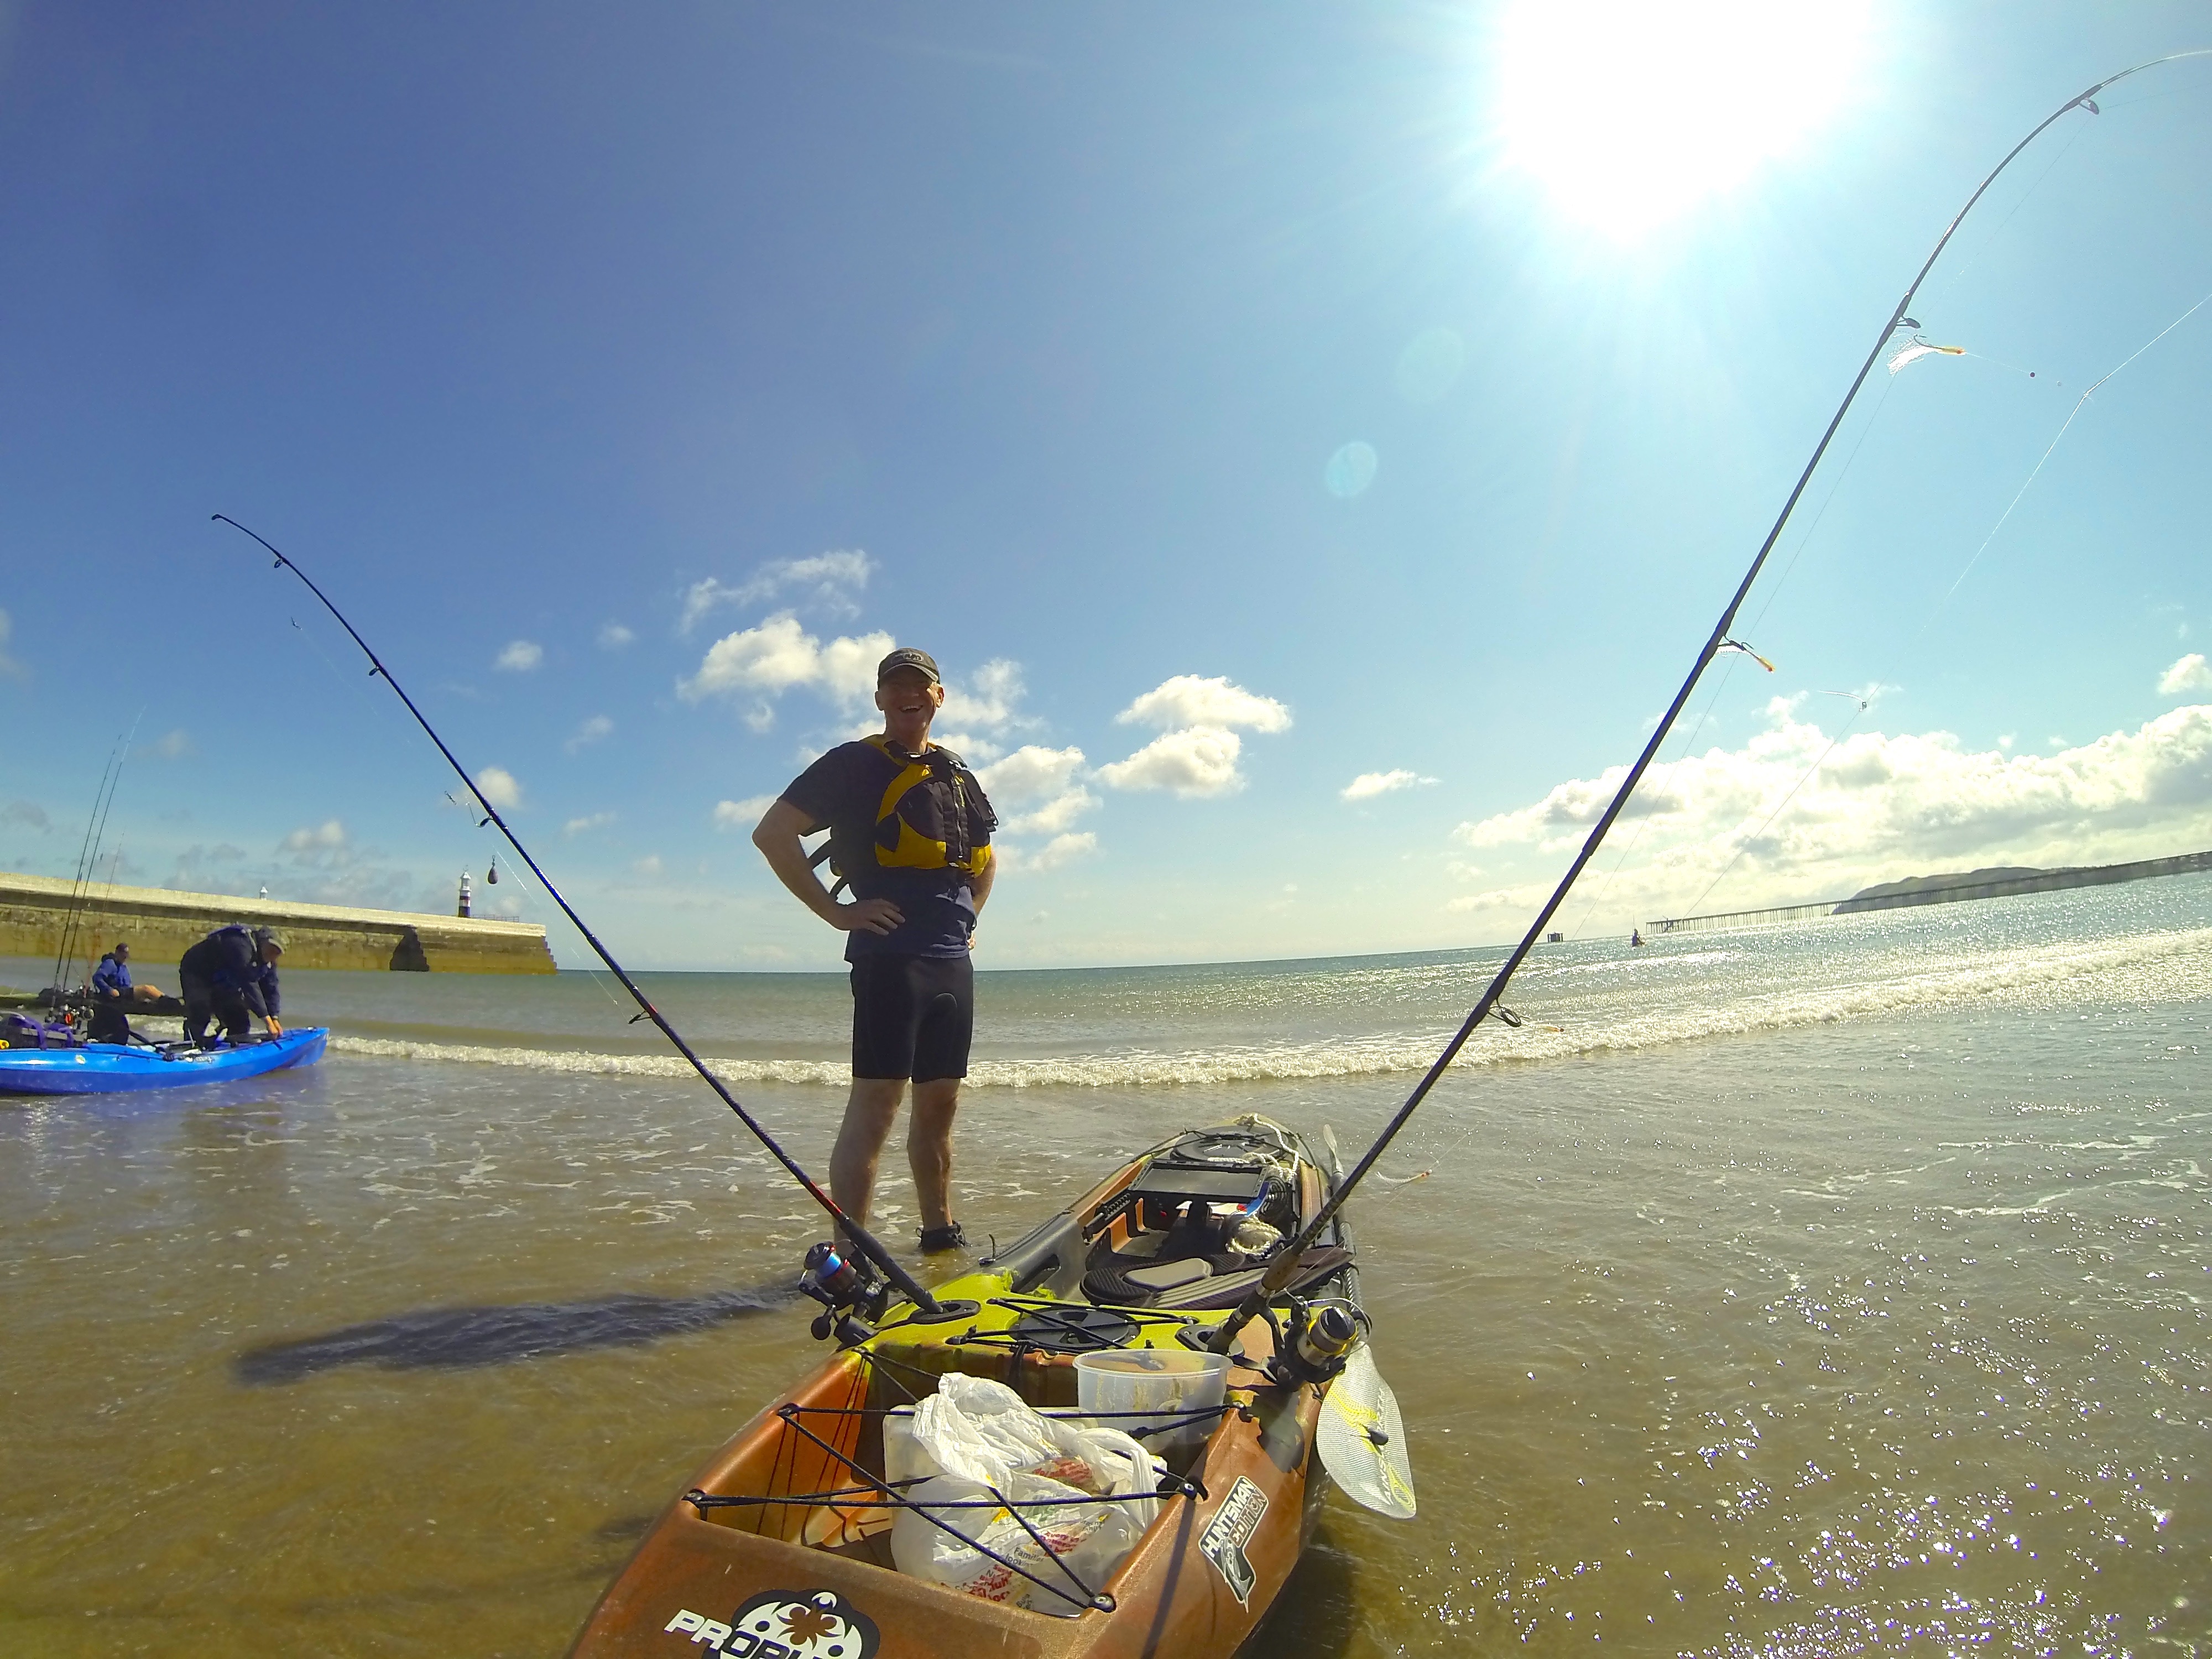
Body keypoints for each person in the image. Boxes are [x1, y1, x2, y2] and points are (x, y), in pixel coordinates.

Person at [752, 647, 997, 1254]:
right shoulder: (851, 765)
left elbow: (985, 860)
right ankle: (852, 1253)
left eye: (921, 687)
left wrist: (969, 919)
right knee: (877, 1107)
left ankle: (938, 1234)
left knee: (940, 1106)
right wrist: (835, 912)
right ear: (880, 698)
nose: (909, 696)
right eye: (896, 687)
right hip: (890, 960)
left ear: (939, 697)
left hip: (951, 962)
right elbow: (772, 833)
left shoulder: (958, 773)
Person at [178, 924, 285, 1048]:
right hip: (197, 971)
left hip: (222, 981)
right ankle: (189, 1046)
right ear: (263, 942)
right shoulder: (240, 944)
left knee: (240, 1020)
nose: (272, 954)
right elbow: (249, 984)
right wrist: (267, 1022)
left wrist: (274, 1018)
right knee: (201, 1010)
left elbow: (271, 989)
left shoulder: (269, 963)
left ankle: (234, 1048)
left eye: (277, 952)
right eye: (271, 948)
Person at [88, 941, 164, 1044]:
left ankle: (165, 1000)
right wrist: (109, 990)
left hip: (125, 994)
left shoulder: (124, 967)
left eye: (127, 954)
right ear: (117, 952)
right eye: (123, 954)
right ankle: (168, 1001)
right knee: (146, 989)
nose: (125, 957)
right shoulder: (110, 963)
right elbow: (97, 977)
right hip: (117, 994)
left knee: (148, 996)